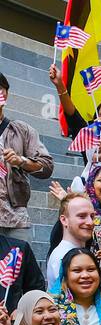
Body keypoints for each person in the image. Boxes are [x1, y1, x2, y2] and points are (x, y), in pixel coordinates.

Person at [0, 73, 54, 236]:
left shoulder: (21, 130)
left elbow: (47, 167)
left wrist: (21, 161)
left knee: (21, 261)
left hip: (15, 219)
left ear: (5, 94)